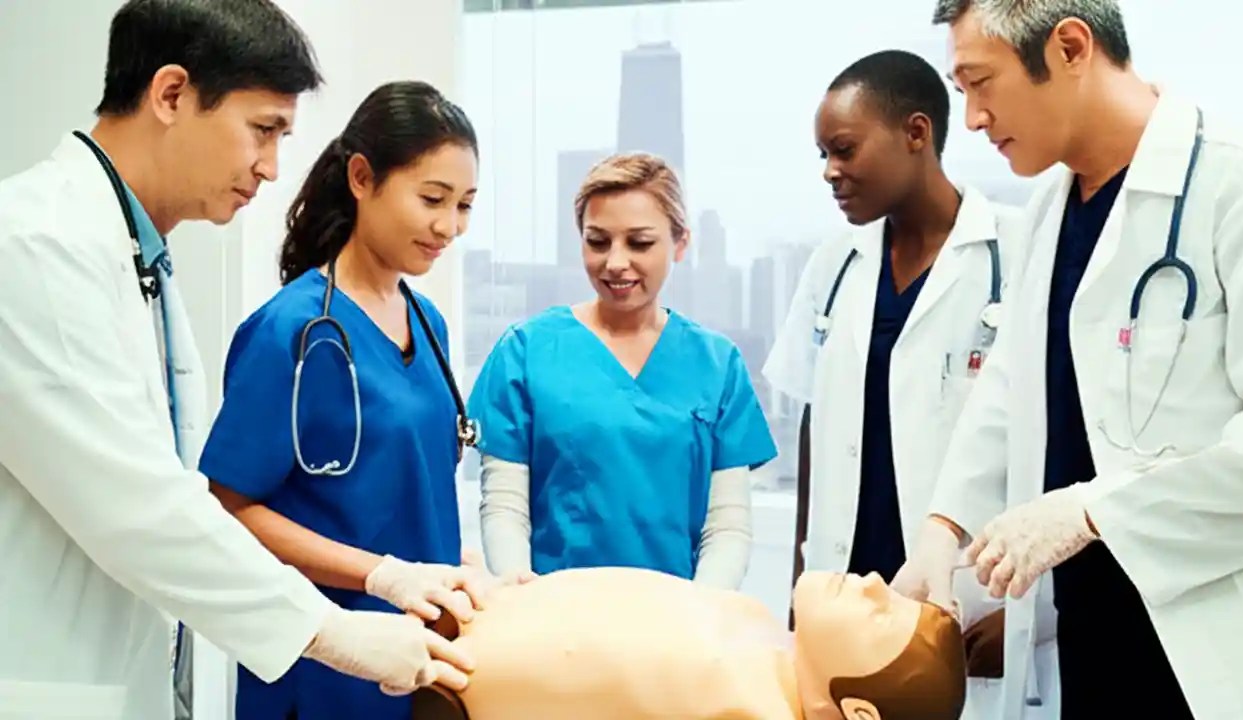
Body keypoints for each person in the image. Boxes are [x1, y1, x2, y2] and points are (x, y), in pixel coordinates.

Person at [0, 2, 465, 719]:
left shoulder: (136, 260)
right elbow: (142, 508)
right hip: (50, 680)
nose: (272, 168)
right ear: (171, 94)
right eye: (262, 130)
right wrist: (334, 629)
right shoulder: (36, 244)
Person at [892, 1, 1243, 718]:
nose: (972, 119)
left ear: (1070, 47)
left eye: (981, 83)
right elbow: (1013, 385)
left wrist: (1092, 511)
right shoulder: (1049, 208)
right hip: (1088, 640)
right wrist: (940, 532)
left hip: (1215, 653)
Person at [196, 80, 501, 720]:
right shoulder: (293, 332)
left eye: (465, 205)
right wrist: (380, 575)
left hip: (420, 667)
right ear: (362, 178)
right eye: (432, 199)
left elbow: (396, 495)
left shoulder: (429, 325)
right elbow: (227, 509)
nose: (449, 226)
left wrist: (460, 564)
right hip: (324, 669)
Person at [762, 50, 1026, 718]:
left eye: (844, 149)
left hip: (969, 598)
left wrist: (1030, 613)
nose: (830, 171)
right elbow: (814, 427)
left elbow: (1055, 442)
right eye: (823, 154)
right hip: (846, 608)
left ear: (916, 132)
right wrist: (801, 589)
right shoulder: (833, 265)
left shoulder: (1019, 252)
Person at [467, 152, 777, 589]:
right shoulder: (526, 350)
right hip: (554, 610)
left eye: (640, 243)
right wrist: (521, 598)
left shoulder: (717, 363)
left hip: (676, 614)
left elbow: (727, 526)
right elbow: (504, 506)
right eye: (597, 242)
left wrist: (701, 610)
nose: (615, 262)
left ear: (680, 243)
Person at [408, 566, 967, 720]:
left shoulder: (754, 707)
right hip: (472, 622)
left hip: (456, 686)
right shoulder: (766, 636)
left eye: (881, 616)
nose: (875, 582)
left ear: (859, 713)